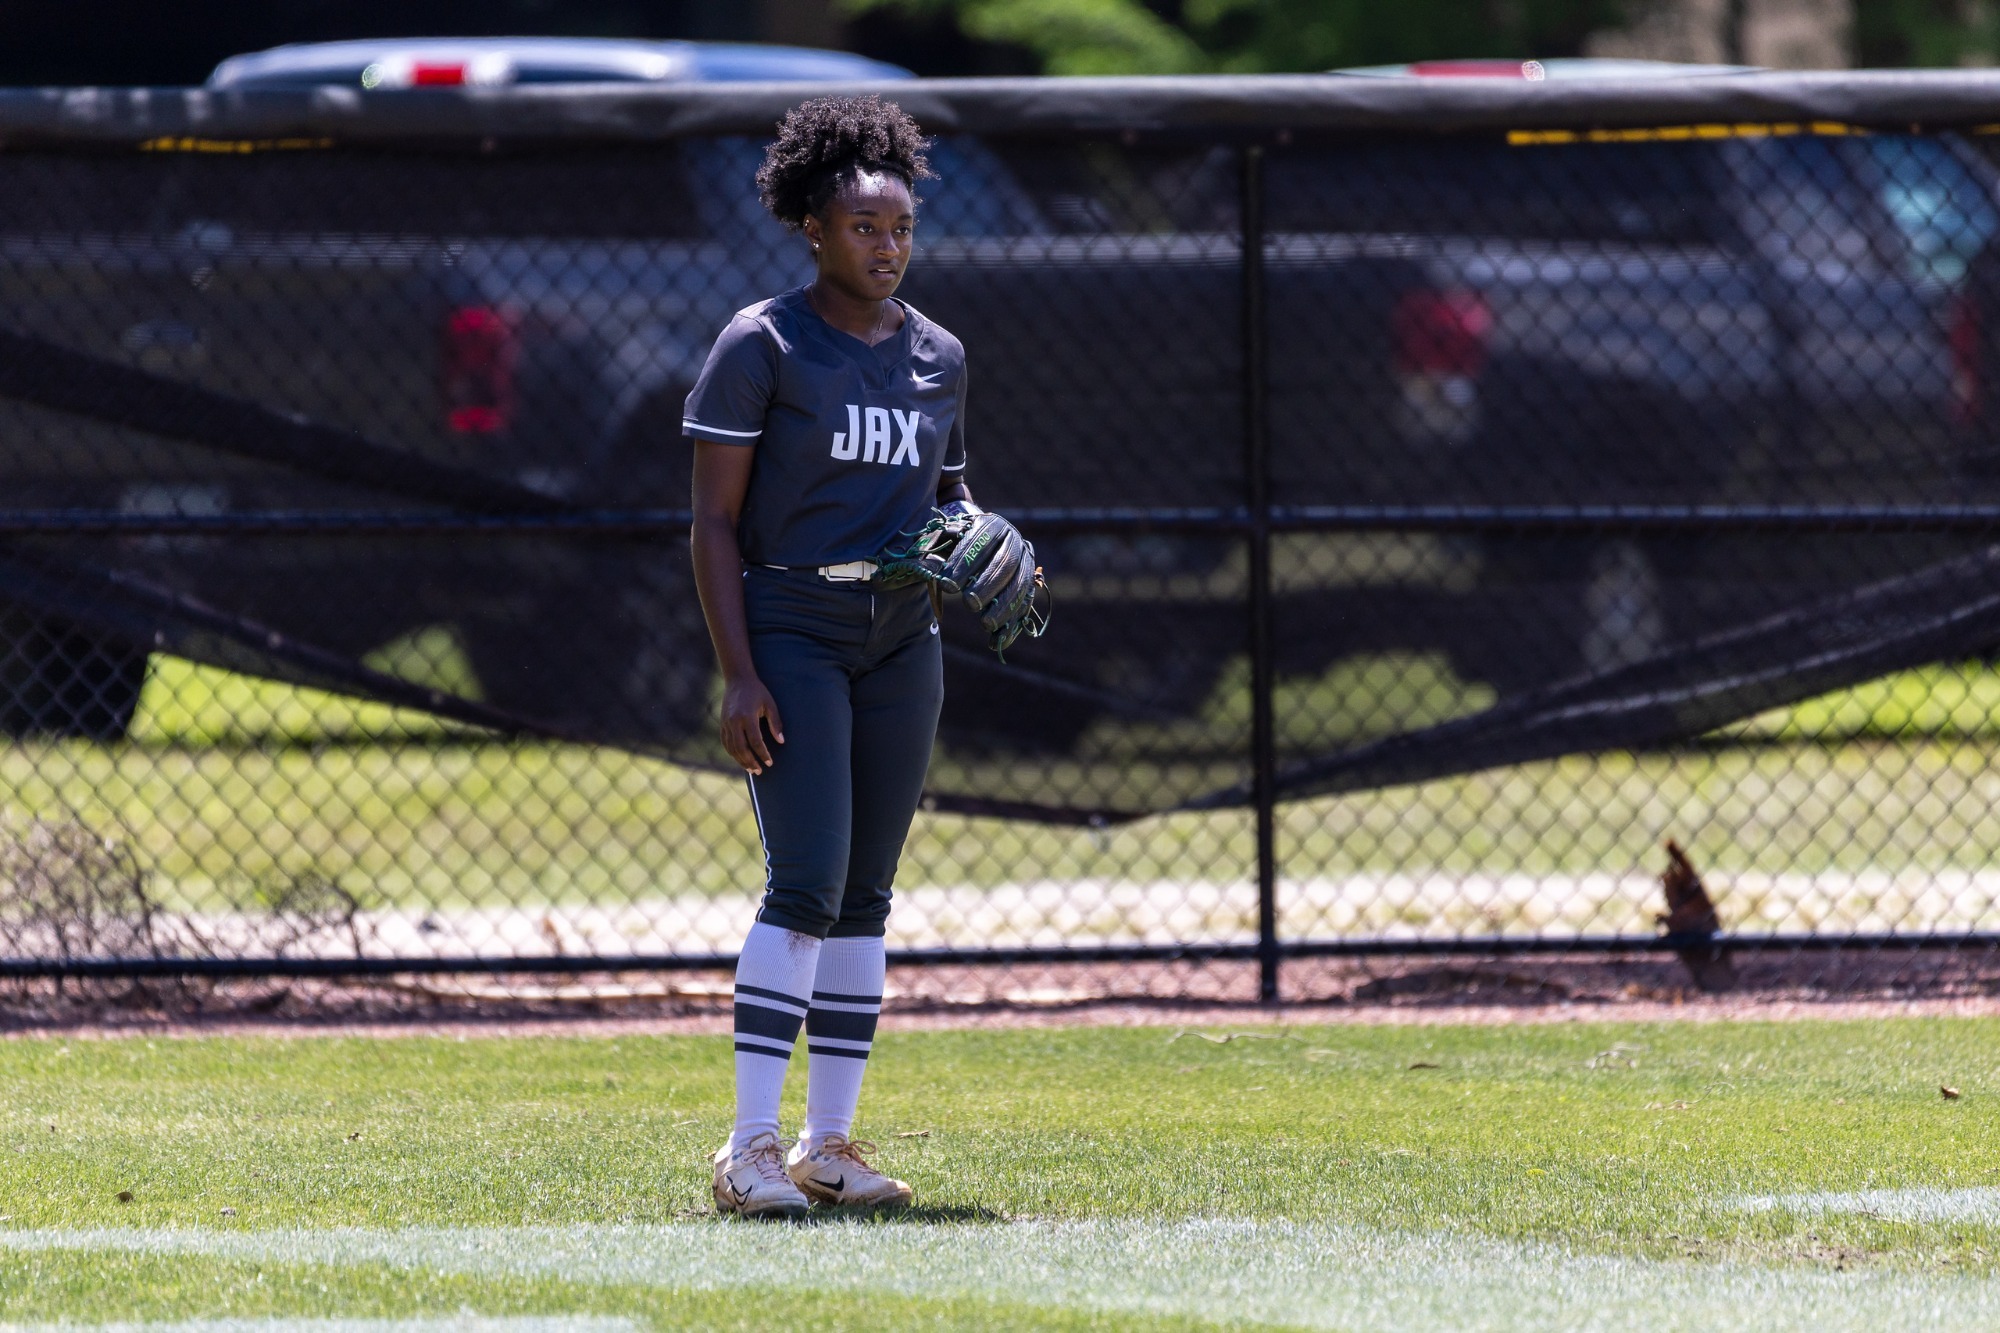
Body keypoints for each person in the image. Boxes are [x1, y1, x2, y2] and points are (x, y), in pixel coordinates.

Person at [684, 94, 973, 1219]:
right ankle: (746, 1147)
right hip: (794, 625)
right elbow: (713, 522)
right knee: (803, 883)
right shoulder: (760, 344)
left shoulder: (938, 354)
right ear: (812, 225)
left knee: (865, 895)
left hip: (904, 637)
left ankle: (828, 1146)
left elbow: (947, 495)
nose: (886, 246)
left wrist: (989, 539)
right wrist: (740, 671)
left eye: (899, 227)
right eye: (863, 227)